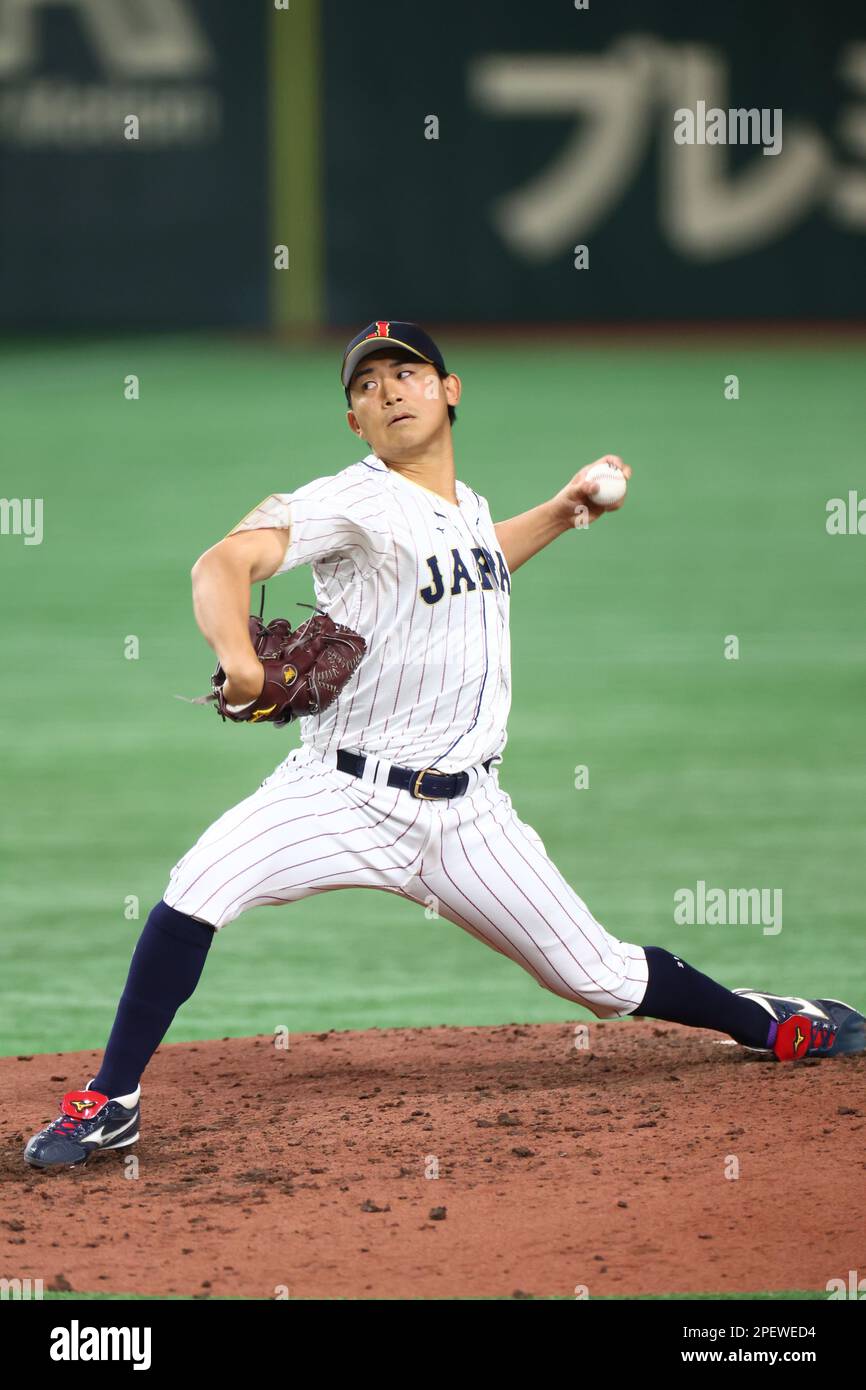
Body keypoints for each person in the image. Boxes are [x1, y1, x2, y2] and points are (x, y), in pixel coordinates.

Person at [24, 320, 865, 1170]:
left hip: (470, 819)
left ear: (449, 390)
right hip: (338, 793)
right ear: (355, 421)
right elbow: (221, 564)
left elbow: (476, 561)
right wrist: (238, 663)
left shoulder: (467, 509)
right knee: (198, 885)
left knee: (600, 979)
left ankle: (767, 1020)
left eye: (407, 372)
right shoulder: (351, 501)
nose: (388, 390)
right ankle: (112, 1100)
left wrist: (564, 514)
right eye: (366, 384)